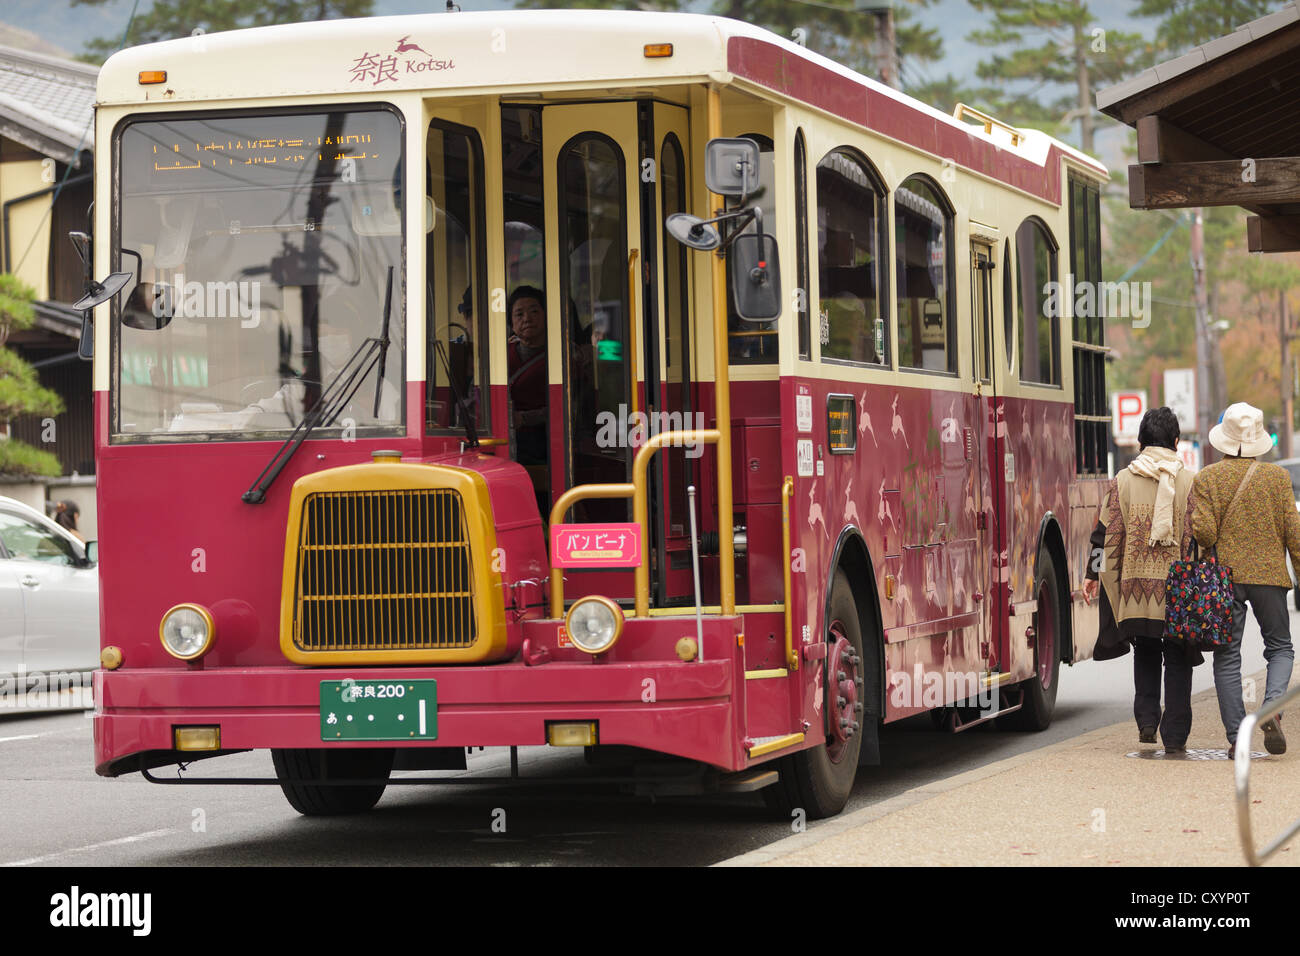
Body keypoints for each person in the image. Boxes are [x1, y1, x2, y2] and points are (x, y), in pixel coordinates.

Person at [1083, 407, 1200, 751]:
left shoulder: (1123, 479)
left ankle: (1148, 721)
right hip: (1178, 592)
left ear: (1141, 442)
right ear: (1176, 441)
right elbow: (1200, 536)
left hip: (1135, 591)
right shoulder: (1190, 481)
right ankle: (1175, 736)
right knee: (1177, 659)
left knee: (1146, 653)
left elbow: (1103, 535)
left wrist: (1092, 573)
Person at [1192, 401, 1300, 757]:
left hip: (1226, 579)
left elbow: (1205, 535)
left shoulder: (1207, 478)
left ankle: (1237, 736)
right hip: (1270, 575)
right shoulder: (1278, 478)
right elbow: (1293, 534)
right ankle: (1271, 710)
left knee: (1226, 656)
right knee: (1281, 647)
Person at [506, 285, 549, 511]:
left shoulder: (563, 355)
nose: (527, 319)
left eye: (534, 311)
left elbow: (572, 408)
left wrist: (524, 418)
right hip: (509, 445)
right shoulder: (501, 355)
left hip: (546, 446)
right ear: (511, 322)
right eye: (519, 314)